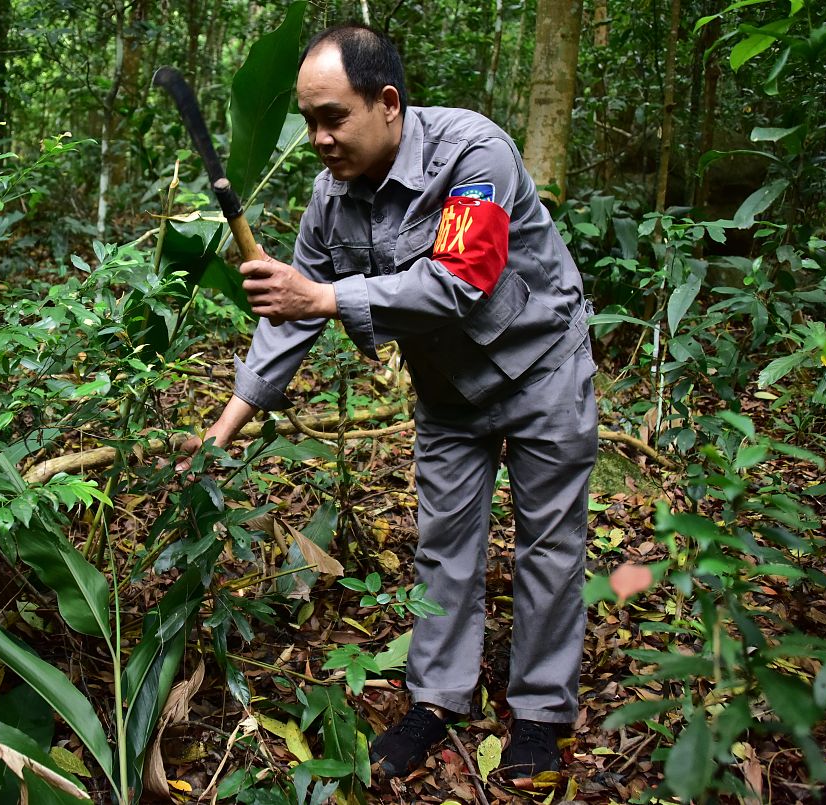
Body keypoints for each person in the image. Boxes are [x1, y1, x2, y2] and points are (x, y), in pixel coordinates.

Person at [183, 23, 598, 780]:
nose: (318, 139)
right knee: (443, 547)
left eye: (333, 118)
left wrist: (326, 295)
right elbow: (291, 314)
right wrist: (225, 426)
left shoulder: (475, 154)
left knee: (549, 546)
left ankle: (541, 712)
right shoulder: (328, 198)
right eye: (308, 122)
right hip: (448, 393)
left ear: (388, 104)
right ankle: (437, 699)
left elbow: (461, 280)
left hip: (543, 369)